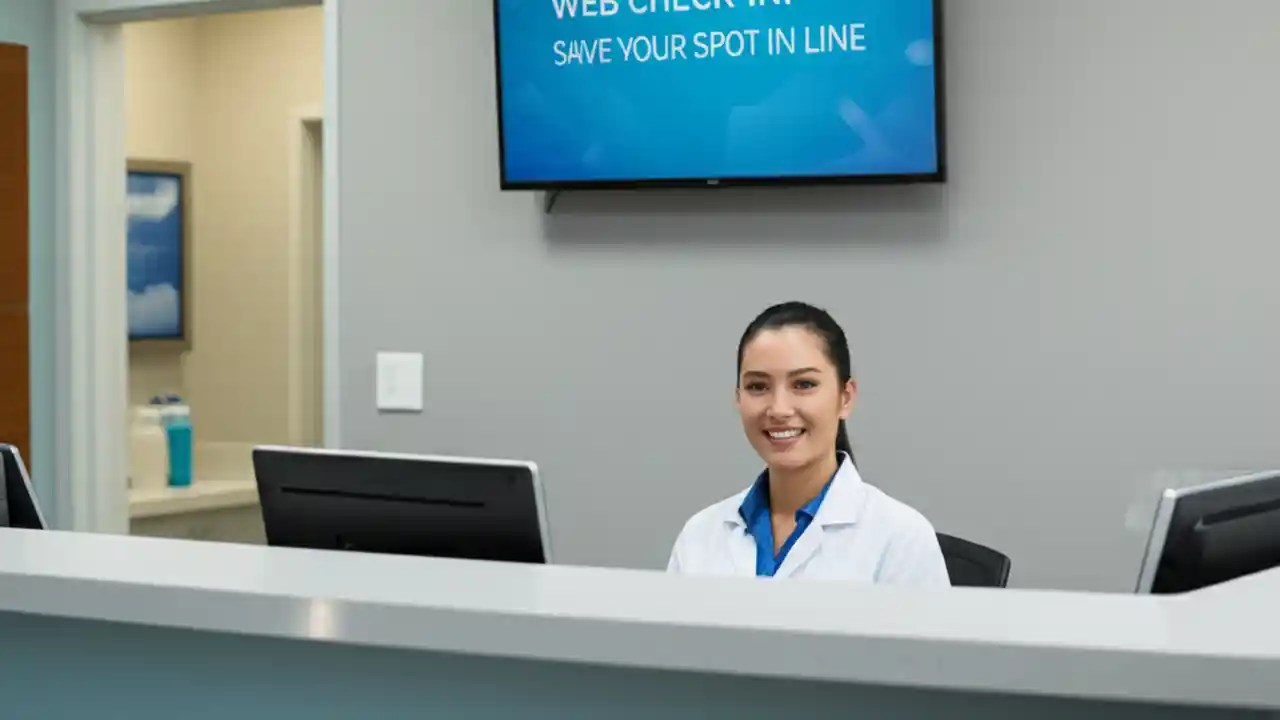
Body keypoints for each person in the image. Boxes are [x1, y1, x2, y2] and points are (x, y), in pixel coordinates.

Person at [667, 302, 949, 586]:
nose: (778, 409)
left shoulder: (900, 538)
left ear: (846, 397)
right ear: (738, 398)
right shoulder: (700, 536)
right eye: (758, 387)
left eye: (803, 384)